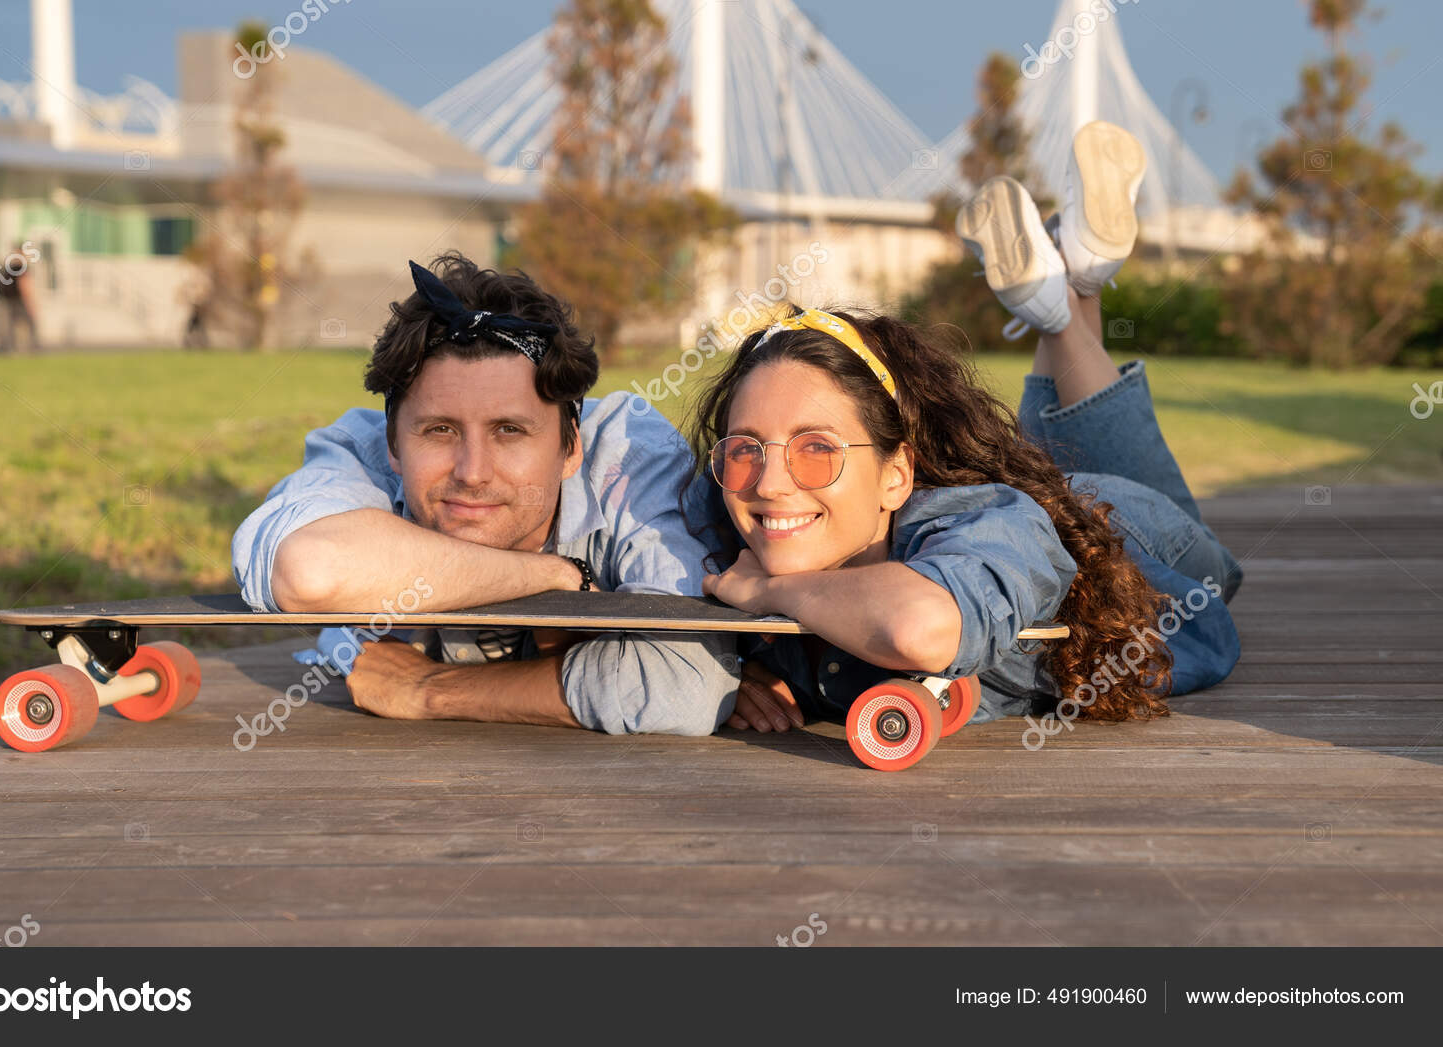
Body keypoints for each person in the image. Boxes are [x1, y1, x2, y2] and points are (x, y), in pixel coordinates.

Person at [690, 121, 1242, 735]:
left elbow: (920, 629)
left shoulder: (990, 528)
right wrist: (735, 672)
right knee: (1046, 466)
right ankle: (1068, 282)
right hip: (1042, 502)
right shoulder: (717, 502)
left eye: (816, 448)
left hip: (1124, 530)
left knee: (1203, 558)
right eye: (745, 449)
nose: (768, 484)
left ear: (896, 475)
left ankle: (1065, 296)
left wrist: (772, 595)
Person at [232, 252, 739, 736]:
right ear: (390, 443)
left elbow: (688, 685)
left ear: (570, 446)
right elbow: (310, 570)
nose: (472, 473)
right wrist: (557, 577)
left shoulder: (627, 456)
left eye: (509, 431)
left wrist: (433, 690)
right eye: (439, 431)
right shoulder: (357, 450)